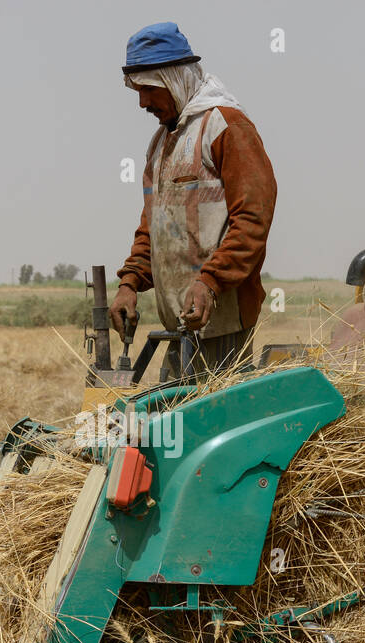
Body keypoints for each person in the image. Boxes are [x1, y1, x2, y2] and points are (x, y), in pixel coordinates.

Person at [110, 22, 277, 380]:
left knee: (217, 427)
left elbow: (253, 218)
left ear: (174, 79)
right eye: (137, 91)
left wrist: (210, 283)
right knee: (171, 426)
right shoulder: (160, 144)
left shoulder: (226, 127)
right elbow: (152, 228)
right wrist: (130, 282)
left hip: (223, 323)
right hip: (181, 327)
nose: (142, 103)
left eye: (149, 90)